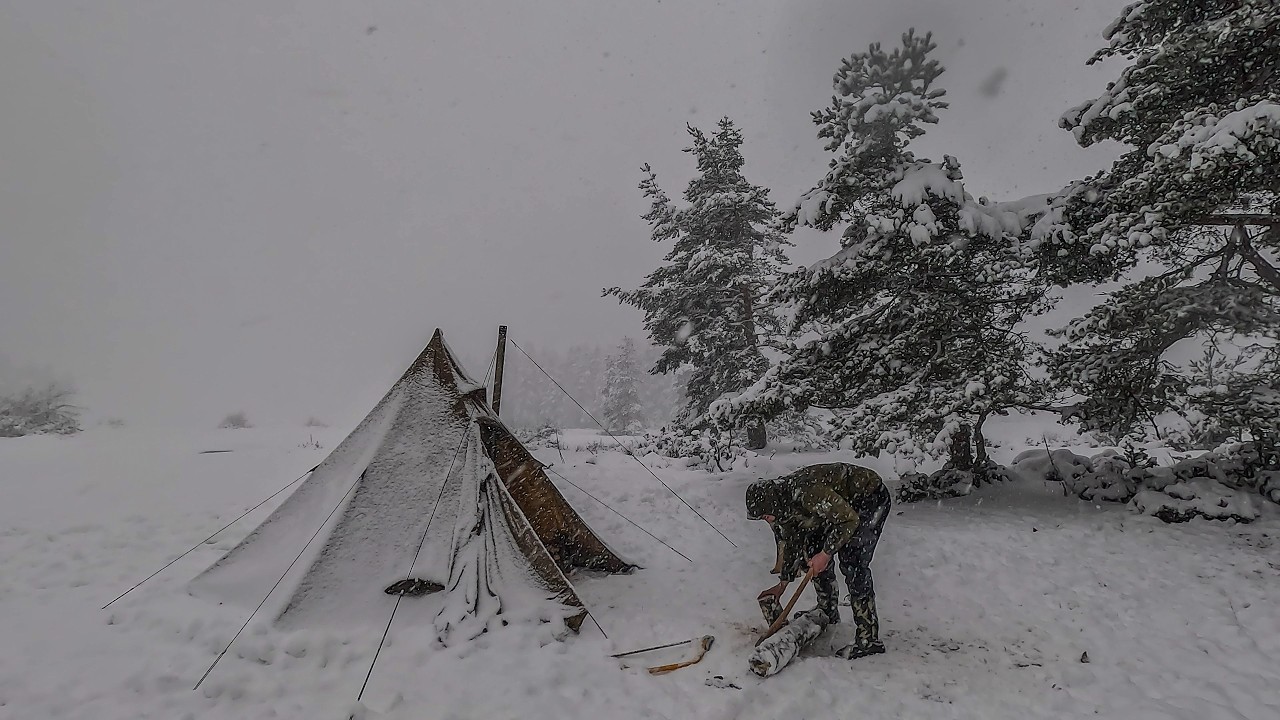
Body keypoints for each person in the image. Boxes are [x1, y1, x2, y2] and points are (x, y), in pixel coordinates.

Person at [745, 462, 891, 659]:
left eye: (765, 515)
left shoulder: (807, 493)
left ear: (772, 504)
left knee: (853, 561)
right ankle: (828, 610)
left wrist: (826, 553)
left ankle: (869, 638)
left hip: (867, 498)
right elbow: (792, 540)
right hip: (839, 508)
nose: (767, 520)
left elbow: (849, 520)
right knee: (812, 548)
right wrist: (783, 583)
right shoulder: (784, 507)